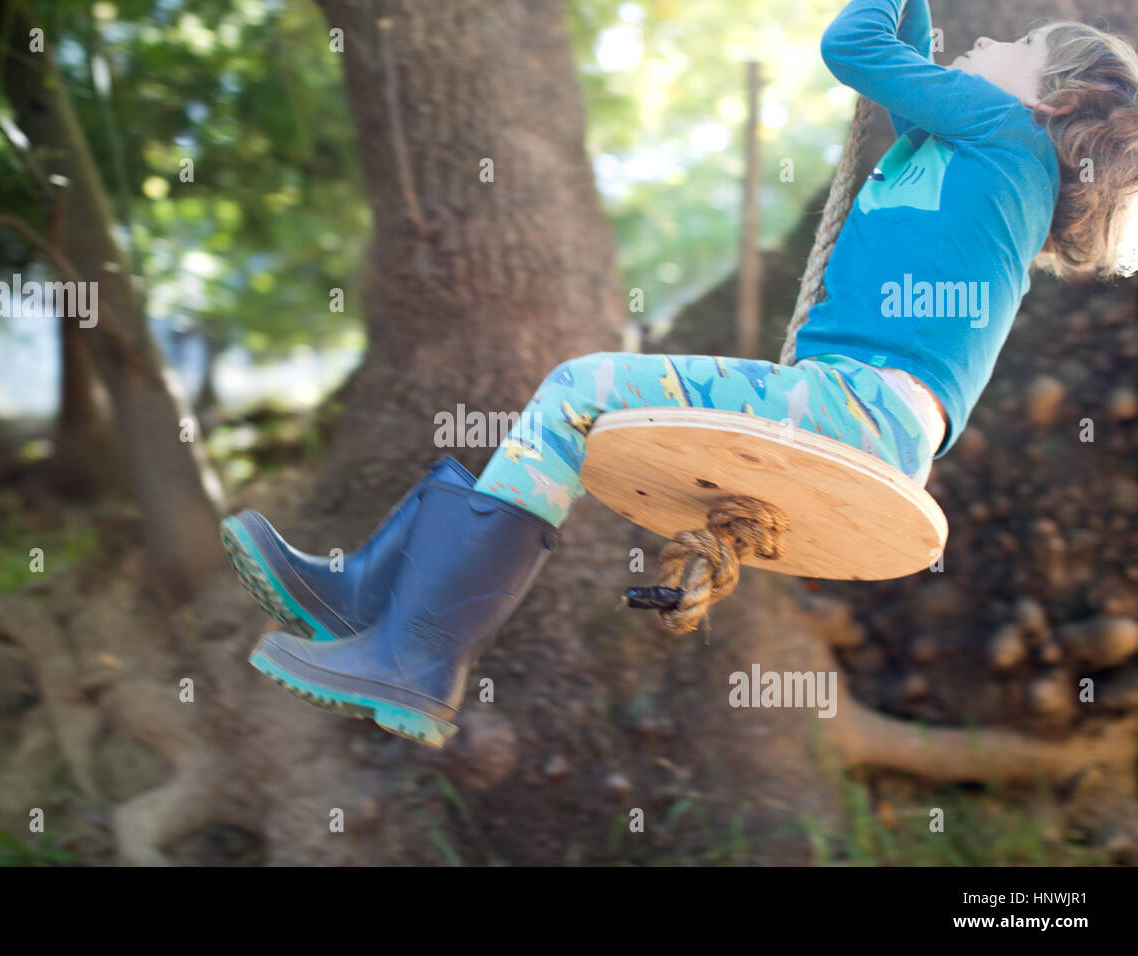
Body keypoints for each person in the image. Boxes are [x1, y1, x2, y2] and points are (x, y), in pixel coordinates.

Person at [222, 0, 1138, 746]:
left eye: (1013, 46)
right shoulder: (958, 145)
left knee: (578, 387)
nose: (983, 42)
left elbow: (852, 42)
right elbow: (899, 45)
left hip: (859, 408)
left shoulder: (1004, 137)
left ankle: (418, 652)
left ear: (1054, 101)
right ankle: (372, 600)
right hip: (858, 407)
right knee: (573, 404)